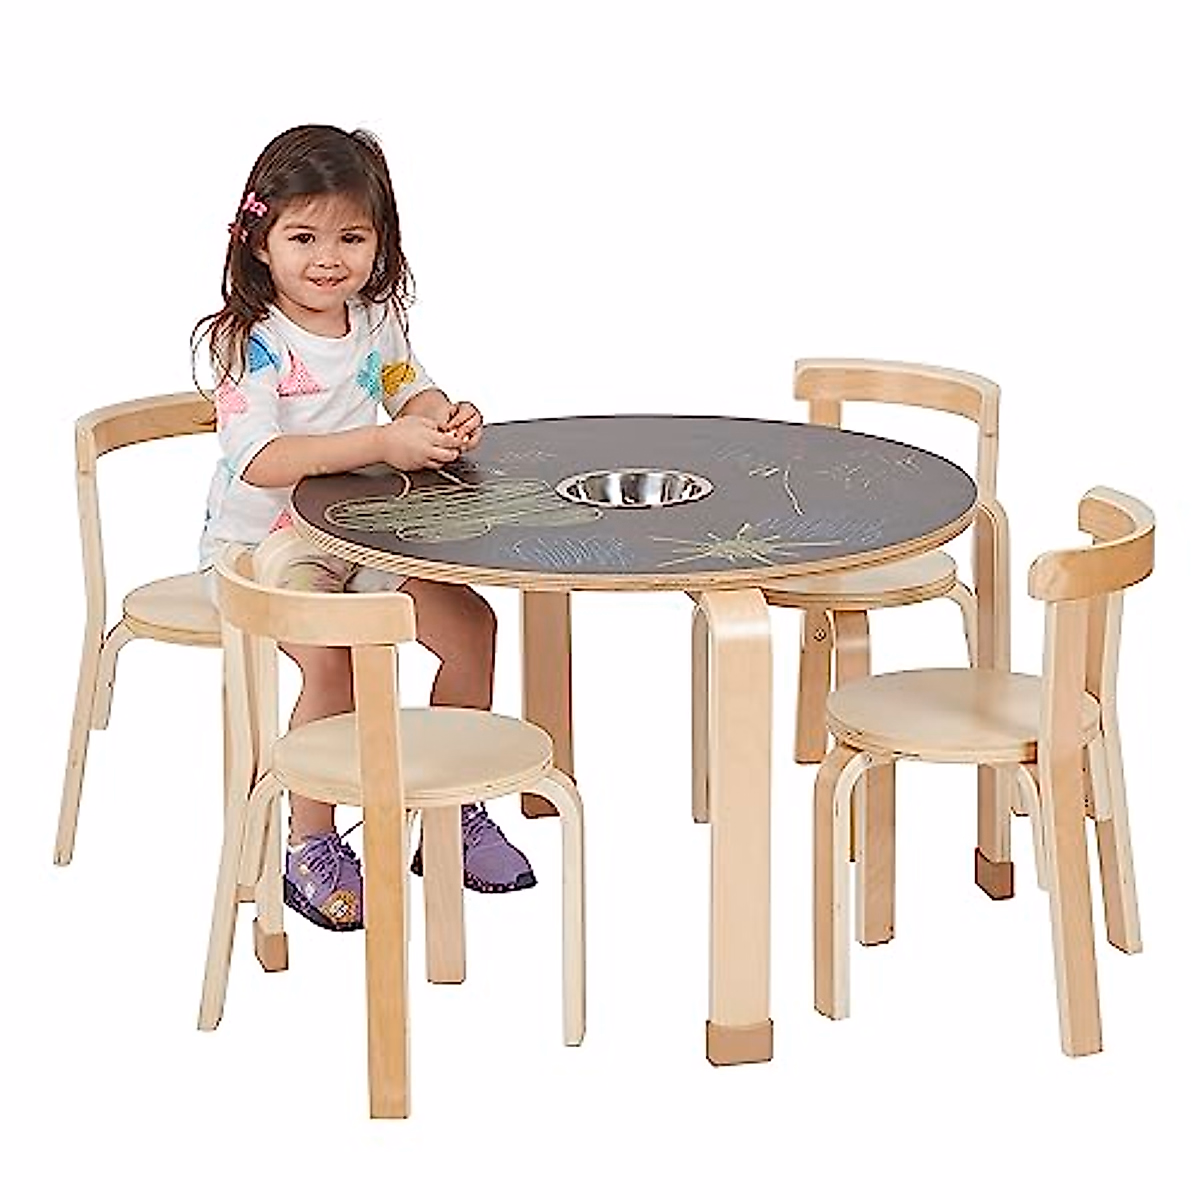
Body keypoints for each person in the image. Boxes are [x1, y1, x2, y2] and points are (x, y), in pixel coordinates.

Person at [194, 124, 535, 932]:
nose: (328, 259)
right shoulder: (250, 342)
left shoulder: (374, 320)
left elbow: (407, 386)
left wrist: (439, 416)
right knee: (340, 662)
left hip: (362, 536)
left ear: (380, 242)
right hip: (261, 550)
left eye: (351, 237)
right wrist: (381, 444)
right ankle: (310, 843)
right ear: (259, 242)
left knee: (471, 628)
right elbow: (261, 459)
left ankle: (450, 812)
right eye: (303, 237)